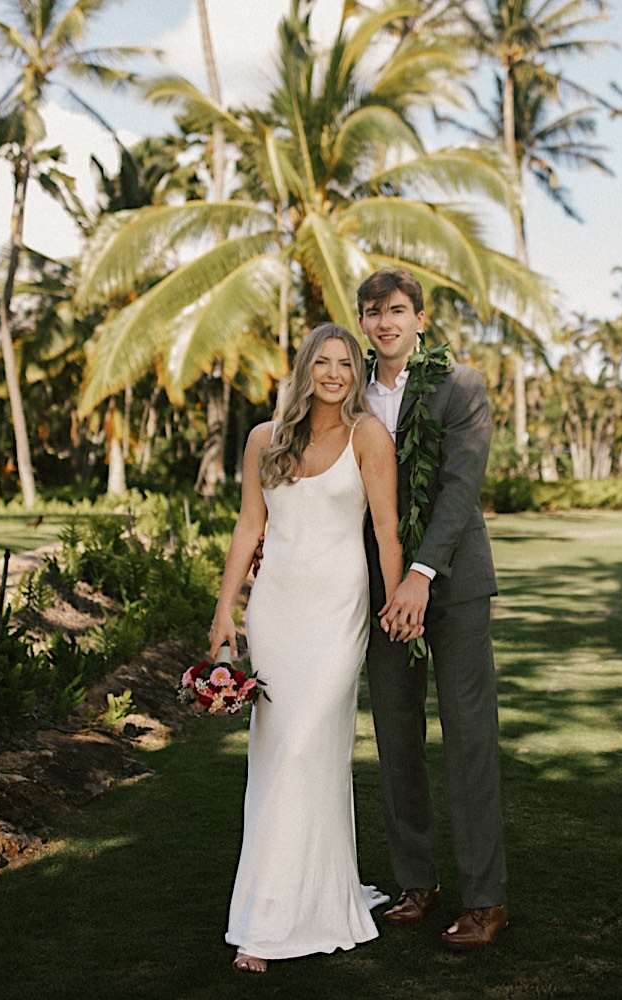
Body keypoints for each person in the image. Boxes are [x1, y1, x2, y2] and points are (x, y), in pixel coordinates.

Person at [208, 323, 405, 974]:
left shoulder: (368, 435)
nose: (333, 373)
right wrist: (223, 611)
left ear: (357, 371)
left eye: (345, 363)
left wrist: (401, 594)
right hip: (276, 613)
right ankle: (296, 898)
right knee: (281, 755)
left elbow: (385, 527)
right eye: (321, 362)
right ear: (304, 368)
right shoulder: (264, 439)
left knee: (305, 745)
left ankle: (271, 924)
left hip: (337, 612)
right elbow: (249, 524)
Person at [358, 268, 509, 950]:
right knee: (395, 736)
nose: (385, 321)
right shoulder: (349, 391)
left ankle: (484, 899)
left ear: (419, 318)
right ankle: (416, 881)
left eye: (396, 309)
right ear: (362, 322)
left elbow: (458, 487)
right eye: (372, 311)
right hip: (379, 588)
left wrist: (421, 576)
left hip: (453, 585)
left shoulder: (461, 385)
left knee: (469, 737)